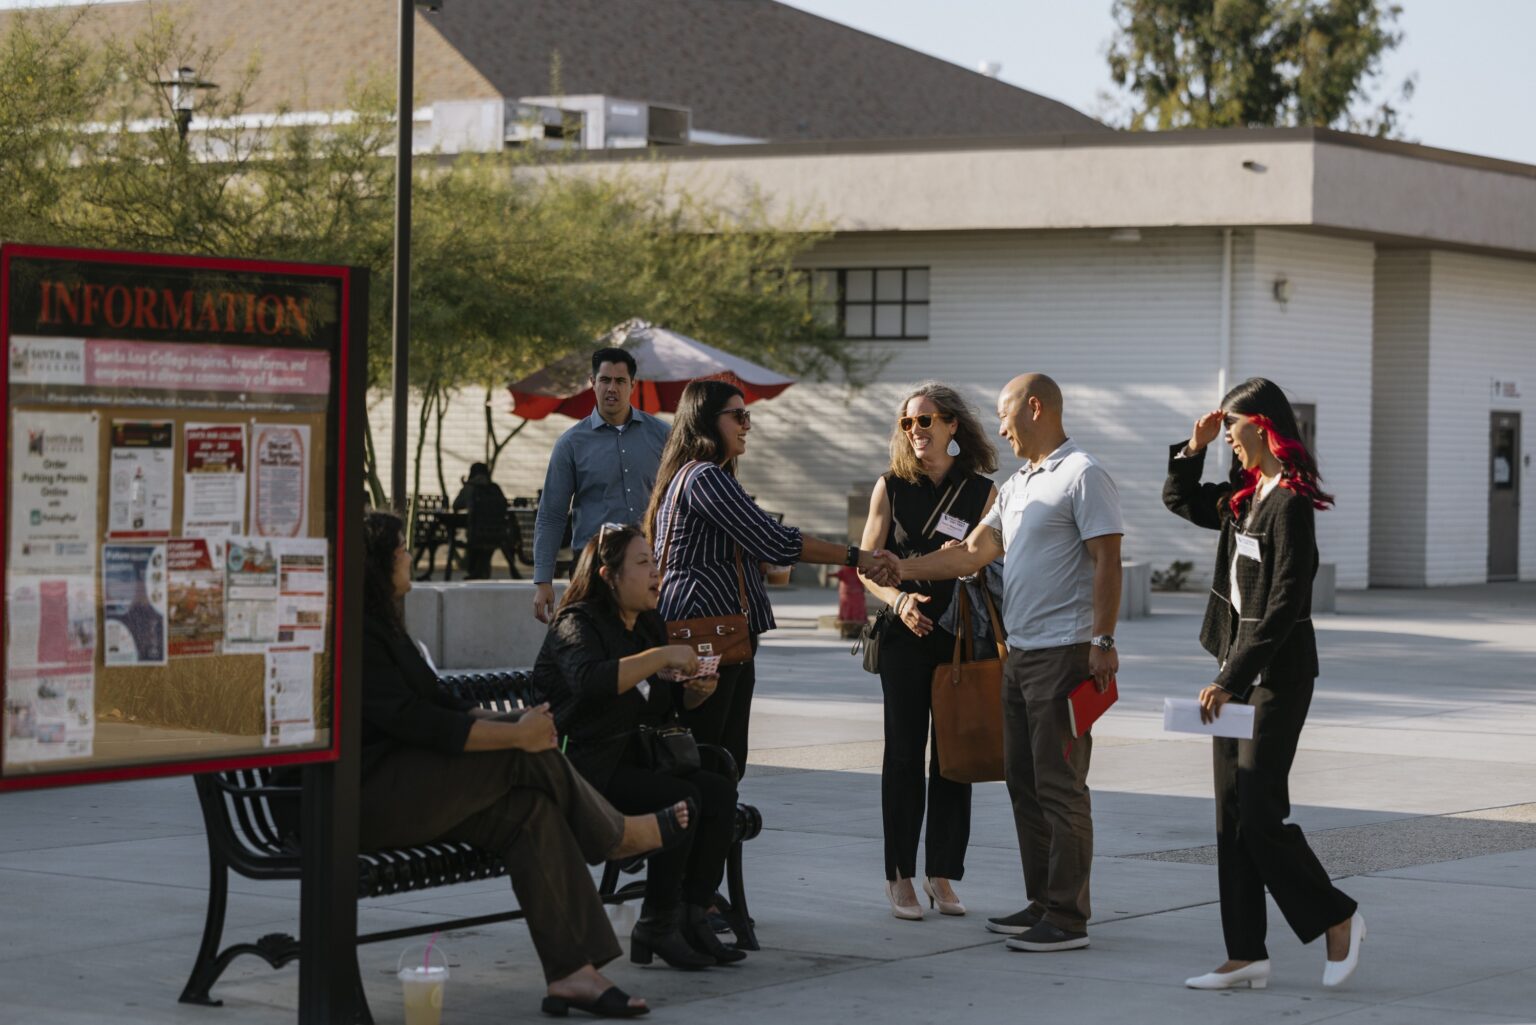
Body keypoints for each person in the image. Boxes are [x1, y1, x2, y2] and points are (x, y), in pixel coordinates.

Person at [358, 510, 692, 1018]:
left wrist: (510, 719)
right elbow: (414, 721)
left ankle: (572, 974)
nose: (407, 555)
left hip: (407, 786)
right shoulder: (357, 634)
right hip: (364, 798)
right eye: (399, 549)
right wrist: (513, 733)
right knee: (526, 759)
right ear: (375, 565)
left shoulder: (385, 625)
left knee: (531, 816)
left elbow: (438, 703)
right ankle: (616, 835)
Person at [895, 373, 1123, 953]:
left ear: (1036, 407)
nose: (999, 427)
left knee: (1061, 787)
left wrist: (1102, 639)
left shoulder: (1083, 474)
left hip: (1066, 652)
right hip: (1017, 656)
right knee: (1024, 784)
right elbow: (972, 553)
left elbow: (1107, 562)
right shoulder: (1018, 483)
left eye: (1005, 413)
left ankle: (1068, 918)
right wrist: (897, 569)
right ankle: (1043, 901)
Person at [1164, 377, 1364, 992]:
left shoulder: (1289, 505)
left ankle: (1337, 915)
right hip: (1235, 675)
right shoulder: (1246, 497)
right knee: (1230, 818)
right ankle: (1245, 953)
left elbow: (1282, 608)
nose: (1227, 434)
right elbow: (1180, 499)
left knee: (1259, 813)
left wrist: (1229, 677)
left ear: (1263, 425)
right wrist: (1191, 449)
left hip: (1274, 678)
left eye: (1232, 424)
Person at [643, 379, 899, 775]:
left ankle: (711, 830)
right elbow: (777, 541)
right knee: (711, 759)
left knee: (712, 756)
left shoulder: (696, 476)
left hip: (711, 633)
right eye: (739, 416)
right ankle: (707, 833)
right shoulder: (705, 478)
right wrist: (858, 556)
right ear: (707, 421)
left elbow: (753, 544)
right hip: (708, 636)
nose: (748, 425)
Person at [535, 523, 744, 971]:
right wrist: (663, 656)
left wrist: (693, 693)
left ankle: (692, 915)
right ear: (610, 575)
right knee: (681, 800)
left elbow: (662, 702)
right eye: (644, 563)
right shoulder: (577, 622)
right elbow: (590, 682)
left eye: (655, 562)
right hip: (582, 768)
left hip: (634, 759)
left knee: (719, 791)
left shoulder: (647, 622)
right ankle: (657, 922)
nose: (657, 573)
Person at [856, 383, 998, 921]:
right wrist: (896, 602)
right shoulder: (891, 486)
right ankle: (899, 874)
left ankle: (943, 873)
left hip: (958, 634)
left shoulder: (982, 491)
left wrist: (961, 561)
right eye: (908, 423)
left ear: (952, 425)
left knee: (954, 757)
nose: (916, 431)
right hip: (904, 636)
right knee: (903, 753)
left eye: (927, 421)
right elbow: (867, 564)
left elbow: (982, 559)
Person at [534, 348, 670, 622]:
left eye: (620, 381)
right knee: (598, 652)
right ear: (592, 383)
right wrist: (542, 581)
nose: (612, 388)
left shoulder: (662, 435)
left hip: (650, 564)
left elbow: (678, 501)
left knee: (649, 650)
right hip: (593, 566)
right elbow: (551, 514)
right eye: (605, 380)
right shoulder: (571, 444)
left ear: (633, 384)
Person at [453, 461, 508, 580]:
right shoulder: (495, 488)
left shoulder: (470, 488)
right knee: (485, 553)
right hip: (497, 534)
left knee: (477, 550)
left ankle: (477, 572)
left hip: (476, 534)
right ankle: (481, 573)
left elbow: (456, 505)